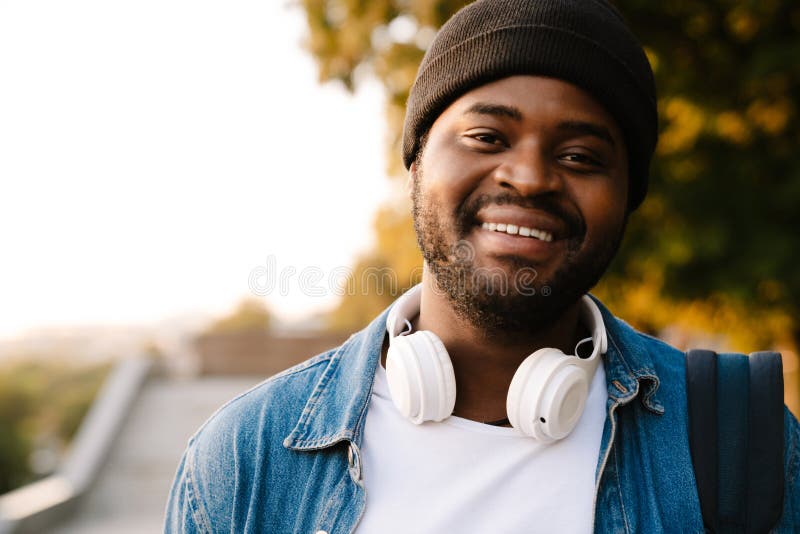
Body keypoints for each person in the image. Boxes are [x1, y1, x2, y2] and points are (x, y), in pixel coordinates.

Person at [165, 0, 800, 532]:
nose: (529, 177)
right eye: (487, 137)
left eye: (581, 156)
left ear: (626, 198)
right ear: (415, 162)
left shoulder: (743, 440)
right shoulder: (244, 461)